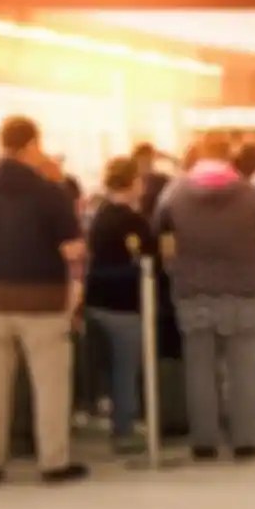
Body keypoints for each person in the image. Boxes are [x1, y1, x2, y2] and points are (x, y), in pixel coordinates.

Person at [0, 116, 88, 484]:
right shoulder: (50, 193)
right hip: (42, 303)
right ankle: (53, 461)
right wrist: (77, 292)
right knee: (50, 385)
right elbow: (73, 252)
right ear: (31, 144)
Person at [155, 137, 255, 461]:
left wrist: (173, 270)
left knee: (199, 367)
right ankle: (245, 439)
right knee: (244, 367)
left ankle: (204, 439)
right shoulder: (252, 195)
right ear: (230, 156)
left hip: (193, 289)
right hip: (246, 289)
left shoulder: (175, 193)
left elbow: (158, 235)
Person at [84, 157, 156, 453]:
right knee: (125, 368)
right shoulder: (132, 220)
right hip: (124, 303)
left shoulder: (98, 214)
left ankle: (97, 411)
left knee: (102, 366)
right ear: (134, 183)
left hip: (96, 298)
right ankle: (123, 427)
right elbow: (150, 255)